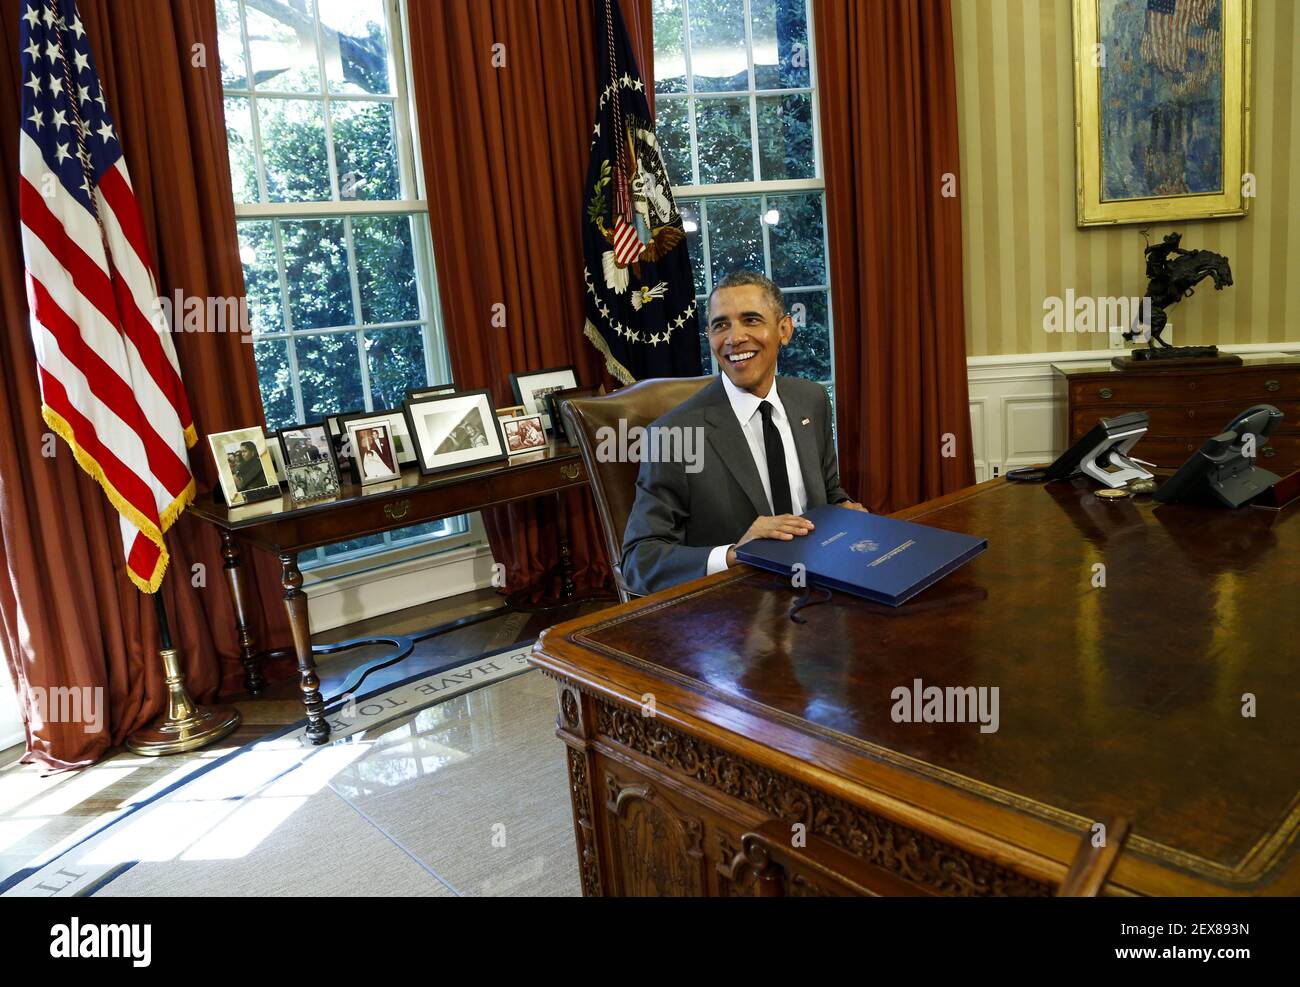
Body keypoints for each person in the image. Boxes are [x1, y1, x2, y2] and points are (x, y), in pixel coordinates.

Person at [621, 271, 867, 597]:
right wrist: (736, 553)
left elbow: (829, 491)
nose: (734, 337)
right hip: (734, 607)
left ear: (784, 330)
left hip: (824, 585)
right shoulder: (672, 435)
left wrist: (846, 509)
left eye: (751, 320)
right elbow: (640, 561)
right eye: (721, 325)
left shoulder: (812, 399)